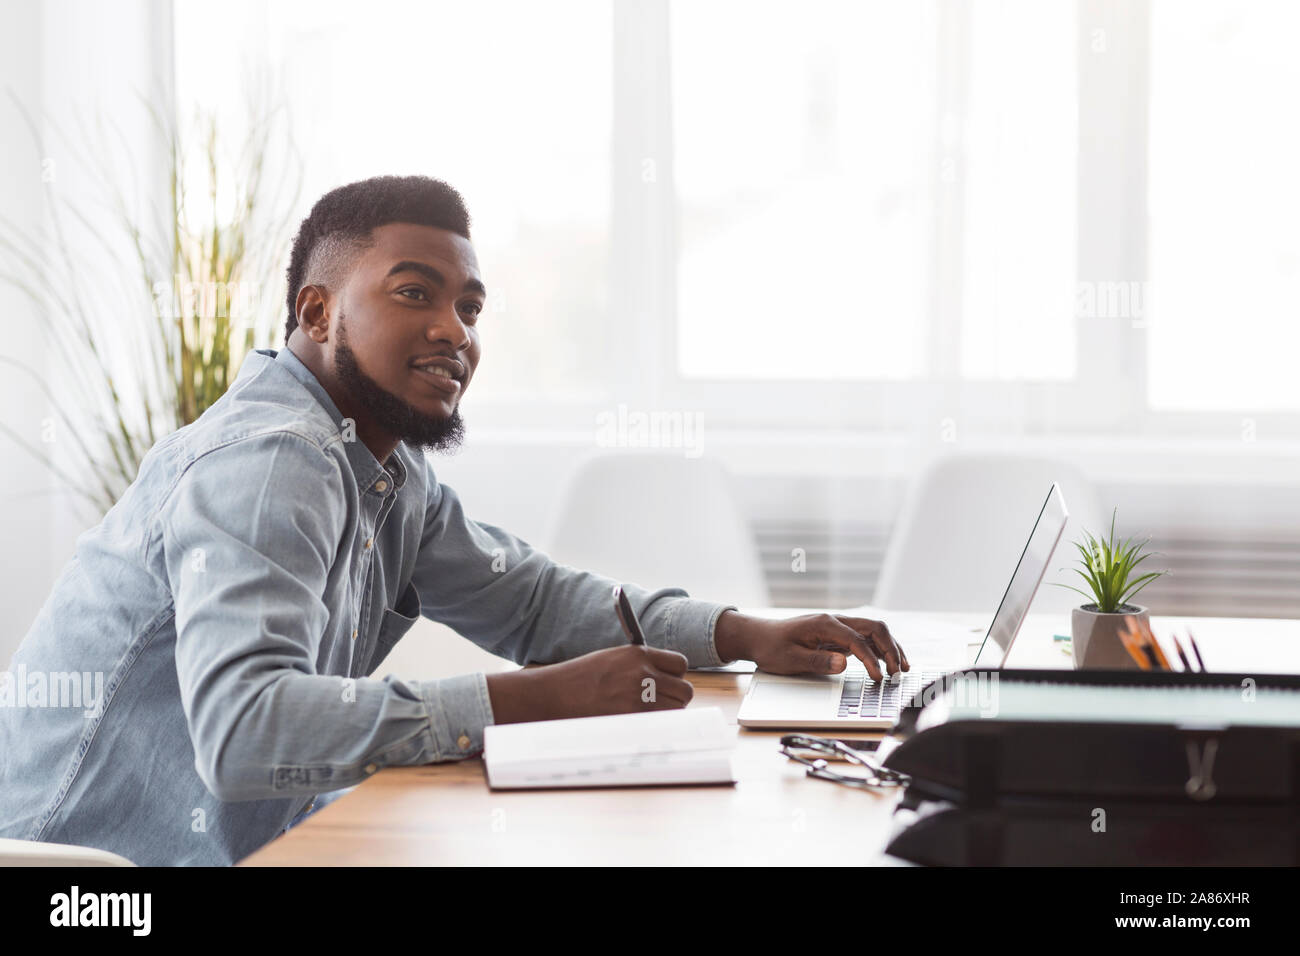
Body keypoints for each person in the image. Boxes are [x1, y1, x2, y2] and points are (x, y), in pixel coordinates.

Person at [0, 175, 906, 865]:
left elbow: (537, 605)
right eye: (413, 293)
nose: (455, 331)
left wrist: (750, 633)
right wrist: (539, 701)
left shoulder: (387, 470)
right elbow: (249, 734)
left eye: (469, 308)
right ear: (316, 311)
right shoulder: (270, 459)